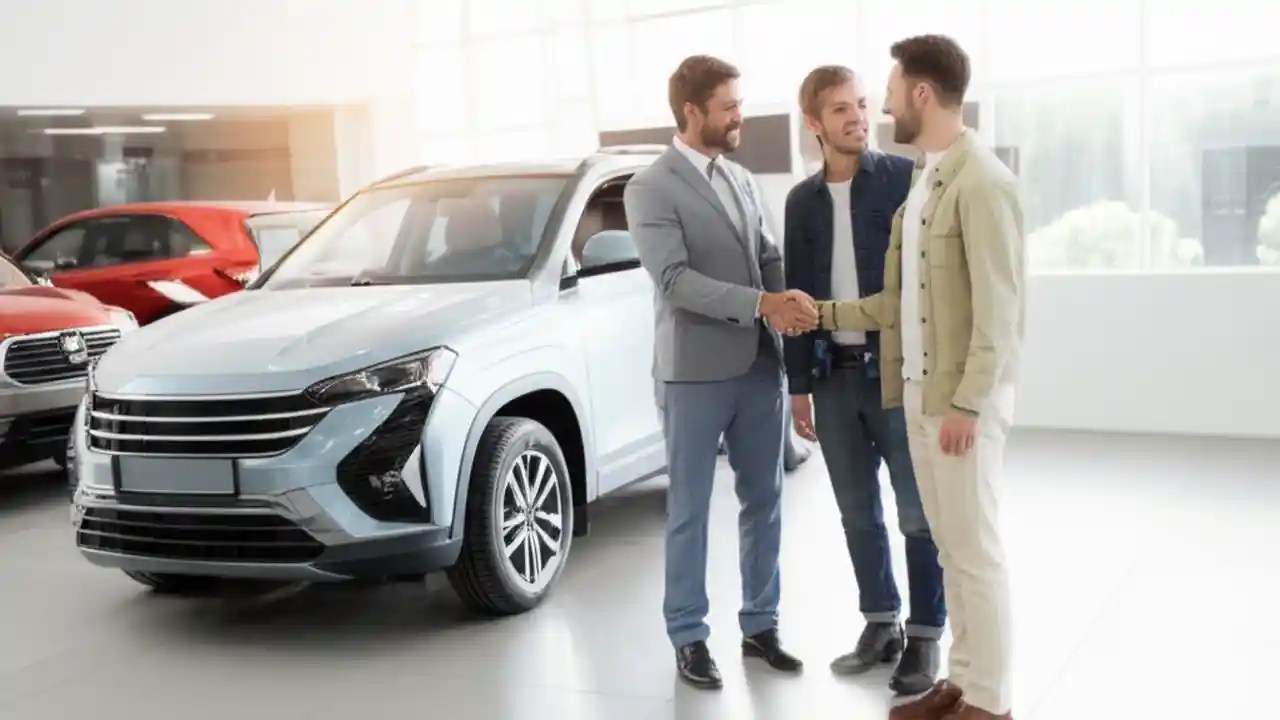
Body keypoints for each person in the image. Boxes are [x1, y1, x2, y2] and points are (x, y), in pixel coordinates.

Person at [810, 36, 1026, 720]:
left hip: (959, 406)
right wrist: (820, 313)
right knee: (952, 550)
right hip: (919, 400)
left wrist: (969, 403)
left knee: (976, 552)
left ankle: (991, 702)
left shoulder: (982, 181)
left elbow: (1001, 312)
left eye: (892, 92)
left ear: (922, 94)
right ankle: (962, 682)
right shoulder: (926, 182)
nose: (885, 105)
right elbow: (897, 305)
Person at [625, 54, 817, 691]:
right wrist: (763, 304)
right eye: (728, 106)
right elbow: (674, 280)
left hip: (760, 366)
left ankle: (761, 625)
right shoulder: (650, 187)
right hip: (694, 373)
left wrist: (790, 309)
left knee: (764, 500)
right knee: (690, 509)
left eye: (739, 104)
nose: (739, 116)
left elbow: (767, 256)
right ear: (692, 111)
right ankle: (689, 636)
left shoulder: (741, 177)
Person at [782, 65, 945, 696]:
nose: (856, 118)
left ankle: (925, 633)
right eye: (840, 109)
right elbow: (797, 297)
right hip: (832, 379)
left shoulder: (906, 178)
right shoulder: (801, 202)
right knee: (856, 513)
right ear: (814, 123)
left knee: (916, 511)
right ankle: (881, 624)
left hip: (898, 374)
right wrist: (799, 385)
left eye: (860, 104)